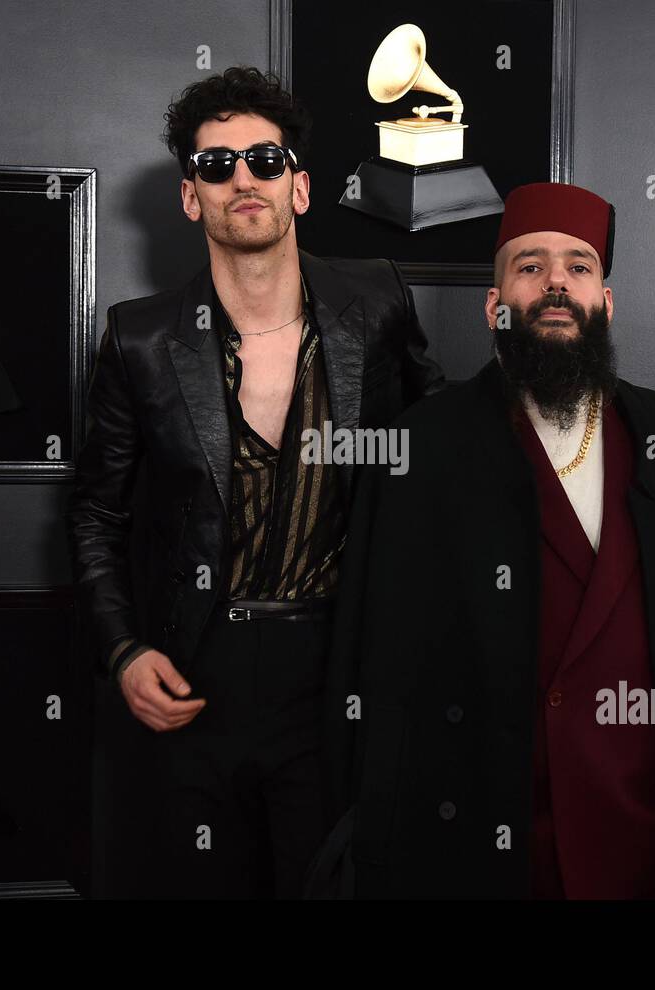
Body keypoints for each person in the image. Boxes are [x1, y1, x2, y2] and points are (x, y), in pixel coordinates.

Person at [309, 181, 655, 898]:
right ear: (494, 309)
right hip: (485, 845)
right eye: (529, 267)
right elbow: (372, 663)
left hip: (654, 842)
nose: (556, 282)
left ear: (605, 305)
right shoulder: (415, 451)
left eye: (579, 267)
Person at [65, 66, 444, 898]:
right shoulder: (139, 338)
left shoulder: (377, 301)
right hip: (197, 670)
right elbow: (95, 513)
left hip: (336, 663)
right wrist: (123, 651)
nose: (244, 179)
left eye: (265, 162)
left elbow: (445, 444)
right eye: (216, 165)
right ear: (190, 197)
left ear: (299, 189)